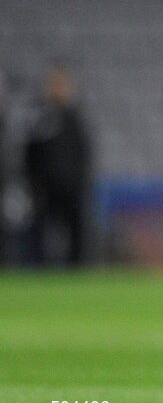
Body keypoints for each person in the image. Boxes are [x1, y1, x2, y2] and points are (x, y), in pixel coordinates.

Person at [23, 65, 92, 267]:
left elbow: (84, 152)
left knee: (76, 235)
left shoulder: (75, 119)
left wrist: (80, 181)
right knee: (41, 234)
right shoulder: (39, 119)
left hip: (72, 189)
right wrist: (34, 185)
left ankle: (76, 273)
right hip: (46, 190)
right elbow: (31, 155)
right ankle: (39, 271)